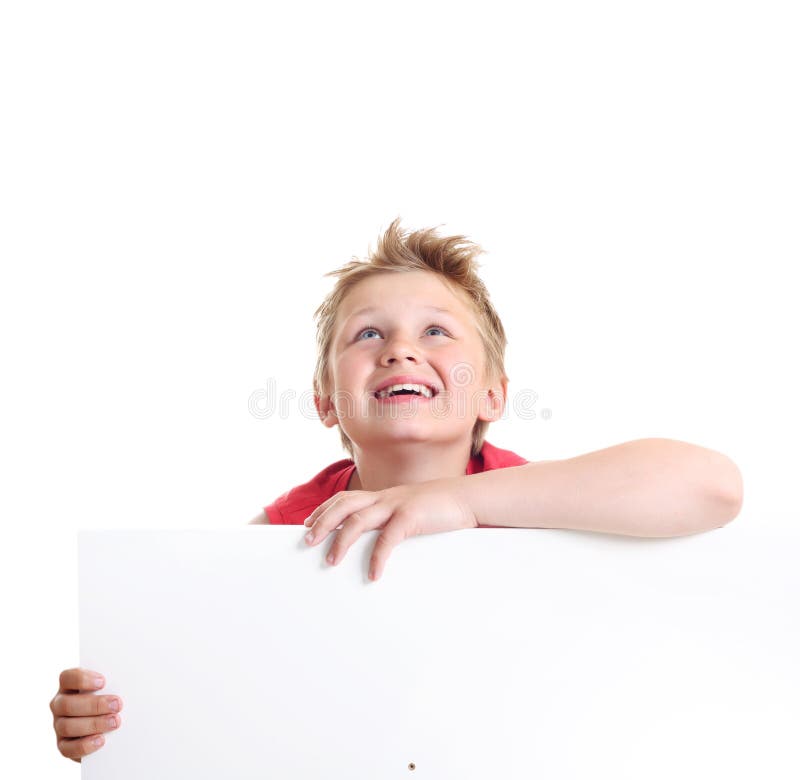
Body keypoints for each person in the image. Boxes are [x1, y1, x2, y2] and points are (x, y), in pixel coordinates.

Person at [50, 217, 744, 761]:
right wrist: (109, 711)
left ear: (492, 396)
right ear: (326, 401)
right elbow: (203, 677)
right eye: (368, 334)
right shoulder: (286, 533)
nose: (400, 349)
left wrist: (462, 503)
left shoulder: (530, 496)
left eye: (436, 331)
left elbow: (714, 488)